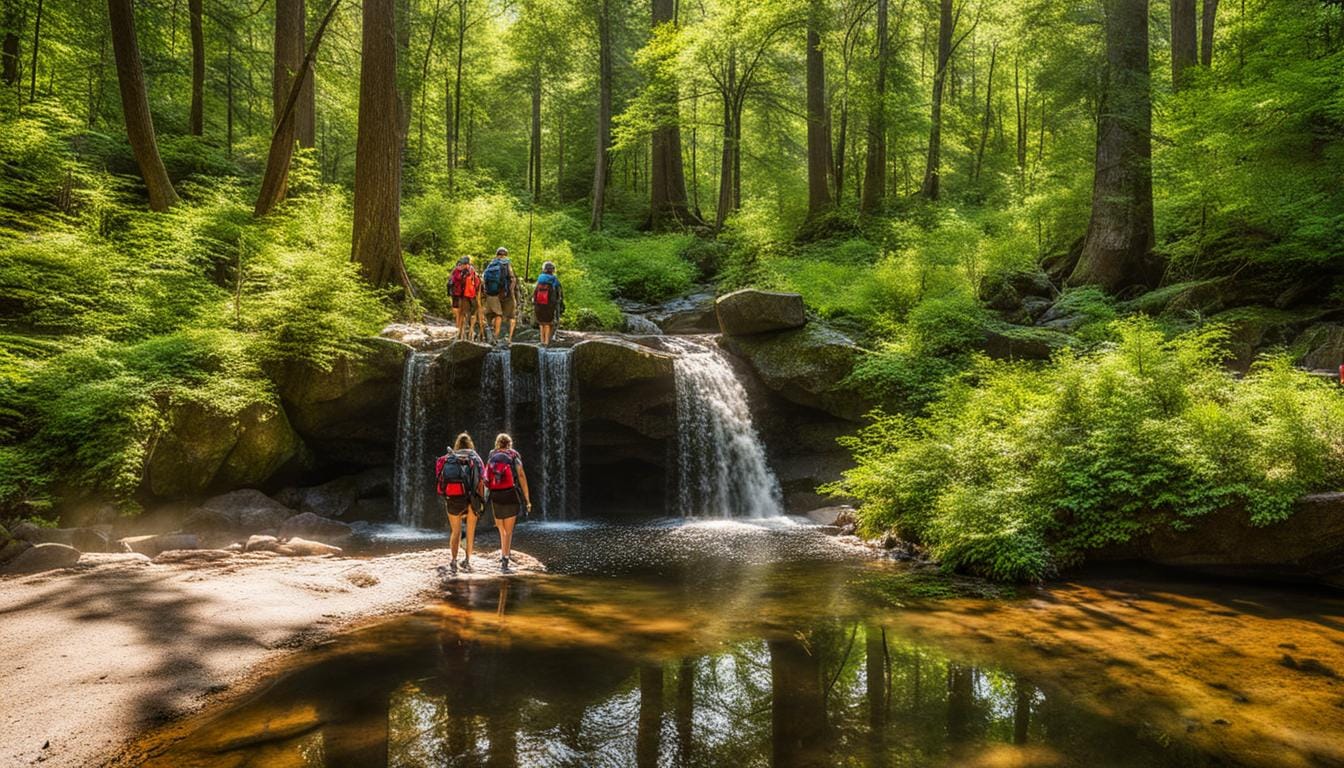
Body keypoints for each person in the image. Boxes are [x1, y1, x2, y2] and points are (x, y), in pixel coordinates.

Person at [435, 433, 486, 576]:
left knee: (455, 531)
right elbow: (482, 480)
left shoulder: (447, 458)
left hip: (453, 498)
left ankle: (453, 560)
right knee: (470, 531)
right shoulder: (475, 458)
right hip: (471, 499)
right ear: (470, 444)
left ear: (457, 444)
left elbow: (439, 479)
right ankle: (468, 560)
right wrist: (482, 500)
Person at [484, 433, 531, 572]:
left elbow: (486, 476)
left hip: (496, 494)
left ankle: (502, 554)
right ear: (509, 444)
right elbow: (521, 475)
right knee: (509, 531)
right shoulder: (514, 455)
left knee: (501, 528)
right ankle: (506, 557)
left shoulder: (492, 454)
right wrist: (527, 499)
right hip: (511, 493)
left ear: (497, 443)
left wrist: (484, 498)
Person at [482, 247, 521, 345]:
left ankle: (488, 332)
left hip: (491, 293)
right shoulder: (506, 263)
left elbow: (484, 279)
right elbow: (512, 279)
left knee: (490, 314)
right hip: (504, 293)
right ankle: (497, 336)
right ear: (505, 255)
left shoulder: (491, 264)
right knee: (501, 315)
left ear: (496, 254)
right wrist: (510, 292)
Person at [532, 261, 565, 346]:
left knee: (541, 323)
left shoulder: (540, 279)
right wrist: (560, 304)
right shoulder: (554, 280)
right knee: (548, 323)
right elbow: (559, 294)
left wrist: (534, 303)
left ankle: (542, 341)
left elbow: (534, 292)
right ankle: (546, 342)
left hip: (539, 304)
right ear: (553, 270)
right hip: (550, 305)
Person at [447, 257, 480, 341]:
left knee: (460, 313)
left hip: (458, 295)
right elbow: (477, 284)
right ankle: (466, 332)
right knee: (467, 313)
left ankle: (460, 332)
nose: (462, 266)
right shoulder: (471, 271)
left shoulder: (456, 270)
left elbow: (450, 282)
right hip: (467, 295)